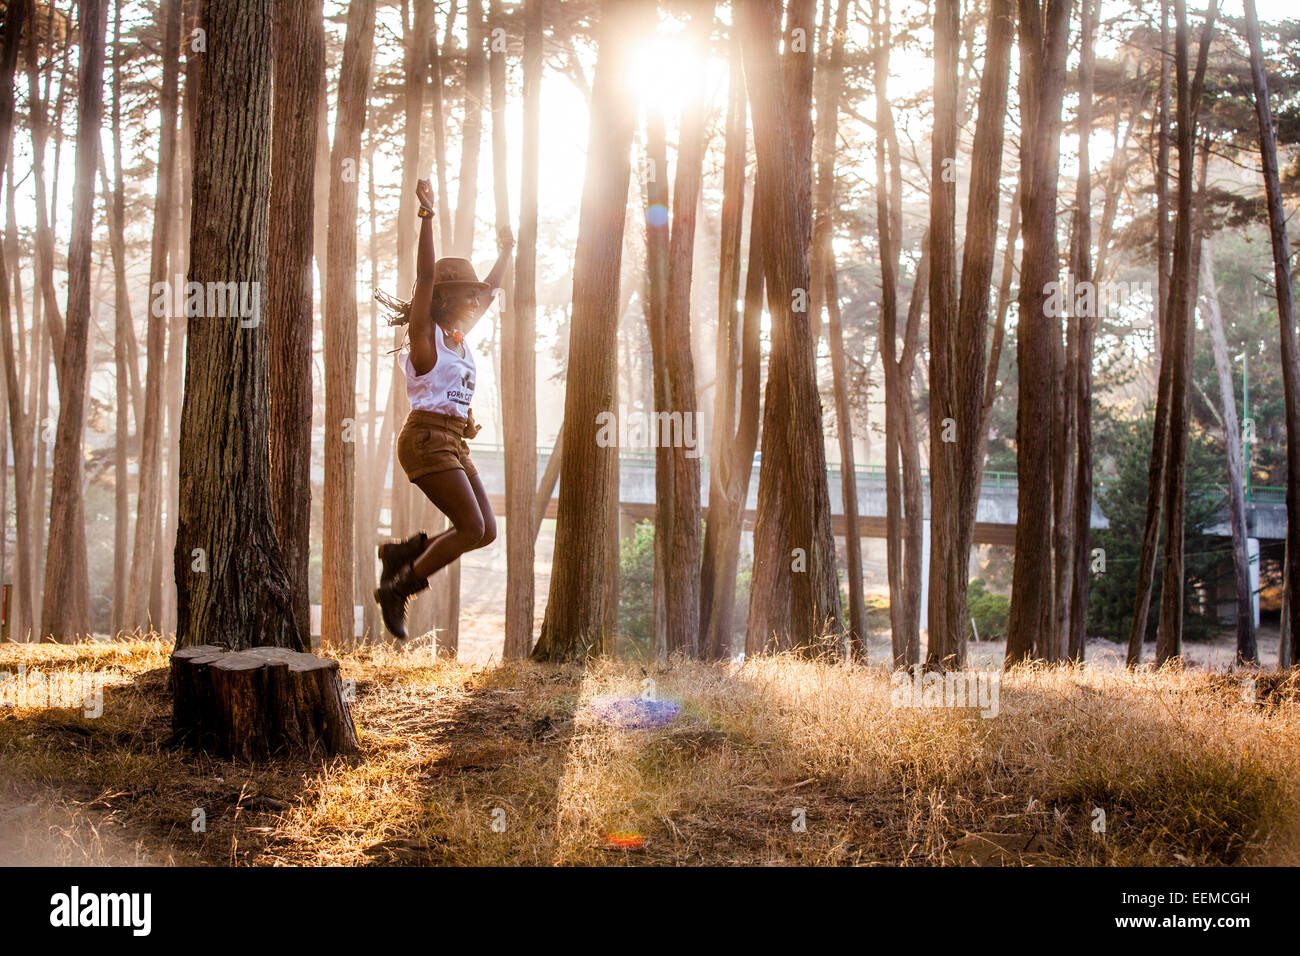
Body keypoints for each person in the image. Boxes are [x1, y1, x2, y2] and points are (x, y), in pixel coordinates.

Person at [373, 178, 514, 639]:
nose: (475, 300)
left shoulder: (459, 339)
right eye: (465, 293)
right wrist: (427, 215)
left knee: (486, 531)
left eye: (474, 295)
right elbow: (425, 277)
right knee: (470, 526)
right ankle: (398, 587)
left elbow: (491, 289)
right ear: (442, 298)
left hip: (451, 440)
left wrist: (508, 249)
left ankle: (402, 556)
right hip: (425, 440)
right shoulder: (425, 337)